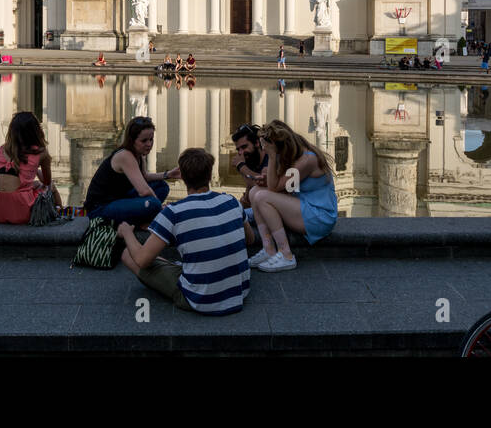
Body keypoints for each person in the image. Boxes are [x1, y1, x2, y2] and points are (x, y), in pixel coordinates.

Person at [117, 148, 250, 315]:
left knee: (129, 255)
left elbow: (141, 261)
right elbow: (250, 239)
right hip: (239, 291)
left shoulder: (174, 212)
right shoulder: (231, 201)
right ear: (210, 175)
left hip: (200, 299)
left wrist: (127, 232)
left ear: (182, 177)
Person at [247, 120, 337, 272]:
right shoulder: (295, 155)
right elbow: (283, 188)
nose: (264, 149)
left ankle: (286, 254)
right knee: (254, 192)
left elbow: (274, 187)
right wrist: (267, 178)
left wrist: (272, 156)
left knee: (262, 197)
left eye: (266, 146)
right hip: (306, 207)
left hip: (320, 216)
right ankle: (268, 249)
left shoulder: (307, 160)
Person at [82, 117, 179, 225]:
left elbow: (145, 177)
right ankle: (142, 221)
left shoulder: (138, 154)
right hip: (99, 209)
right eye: (144, 140)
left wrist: (168, 174)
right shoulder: (125, 156)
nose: (149, 144)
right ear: (132, 141)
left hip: (119, 200)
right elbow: (144, 191)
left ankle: (141, 219)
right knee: (153, 204)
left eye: (151, 139)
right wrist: (160, 208)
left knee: (162, 186)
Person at [0, 111, 61, 224]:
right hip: (21, 210)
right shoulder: (40, 152)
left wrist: (33, 173)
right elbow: (46, 181)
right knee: (52, 187)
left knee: (31, 185)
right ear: (36, 131)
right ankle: (60, 213)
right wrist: (36, 171)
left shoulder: (1, 149)